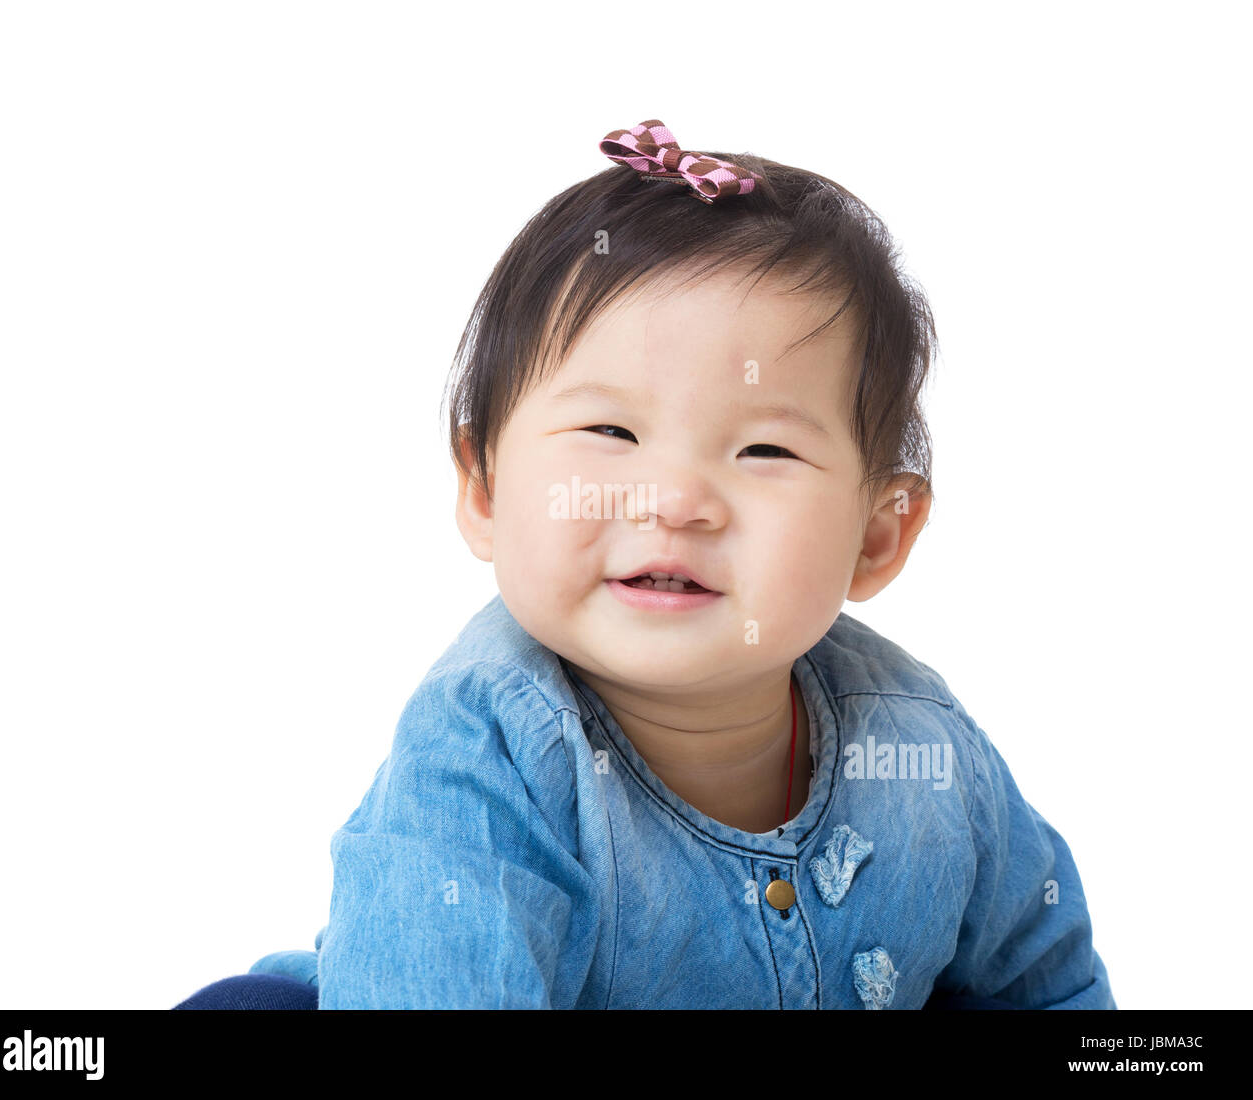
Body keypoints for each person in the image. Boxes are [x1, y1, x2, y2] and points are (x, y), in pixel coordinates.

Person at [178, 119, 1114, 1010]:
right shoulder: (486, 746)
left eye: (764, 451)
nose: (672, 500)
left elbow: (1046, 979)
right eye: (611, 431)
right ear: (486, 491)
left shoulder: (920, 744)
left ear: (878, 536)